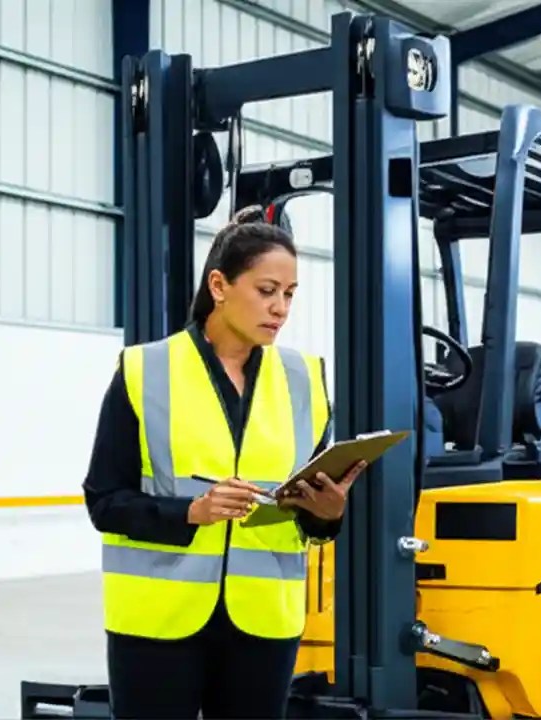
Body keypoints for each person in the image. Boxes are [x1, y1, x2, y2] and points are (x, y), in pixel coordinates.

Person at [82, 205, 366, 719]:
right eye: (266, 290)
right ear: (219, 285)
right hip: (157, 622)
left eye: (289, 294)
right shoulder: (145, 370)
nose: (280, 308)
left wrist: (329, 510)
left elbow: (312, 523)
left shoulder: (305, 379)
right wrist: (191, 513)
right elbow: (104, 501)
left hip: (263, 625)